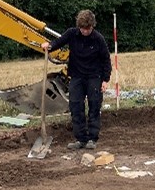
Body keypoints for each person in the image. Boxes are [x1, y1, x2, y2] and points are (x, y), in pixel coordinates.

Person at [41, 10, 111, 149]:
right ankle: (81, 139)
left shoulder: (98, 39)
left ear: (92, 26)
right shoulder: (71, 33)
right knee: (75, 107)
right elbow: (58, 42)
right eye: (82, 28)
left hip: (94, 77)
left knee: (94, 107)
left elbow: (106, 60)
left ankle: (92, 139)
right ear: (79, 26)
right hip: (76, 77)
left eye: (88, 28)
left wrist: (105, 80)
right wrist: (49, 46)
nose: (85, 31)